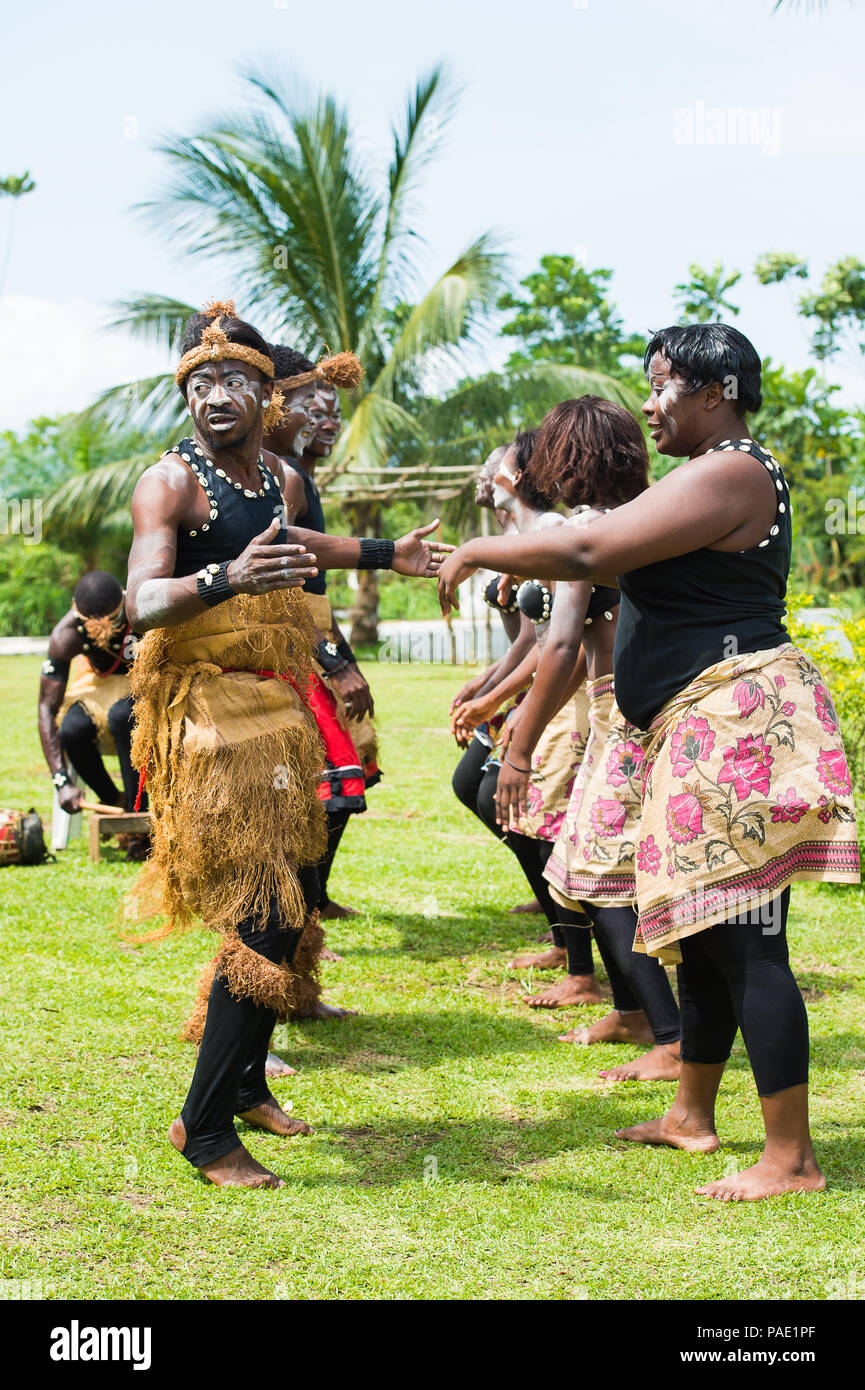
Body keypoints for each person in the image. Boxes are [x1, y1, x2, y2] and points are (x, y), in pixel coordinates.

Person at [438, 324, 859, 1200]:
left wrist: (478, 547)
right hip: (697, 725)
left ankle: (790, 1159)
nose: (650, 402)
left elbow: (591, 555)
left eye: (664, 382)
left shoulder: (734, 470)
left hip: (734, 721)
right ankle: (690, 1114)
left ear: (717, 391)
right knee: (705, 939)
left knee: (749, 944)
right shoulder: (697, 482)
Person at [126, 299, 449, 1189]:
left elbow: (299, 546)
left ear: (266, 393)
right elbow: (141, 601)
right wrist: (222, 577)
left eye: (232, 379)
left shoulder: (278, 478)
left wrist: (385, 554)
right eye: (198, 382)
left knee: (293, 901)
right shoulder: (170, 483)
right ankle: (203, 1129)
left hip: (276, 715)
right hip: (204, 717)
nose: (214, 394)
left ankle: (243, 1085)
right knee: (263, 916)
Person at [493, 399, 681, 1078]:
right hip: (661, 706)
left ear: (566, 458)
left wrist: (517, 749)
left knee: (599, 872)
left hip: (619, 715)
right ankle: (635, 1014)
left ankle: (669, 1036)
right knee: (599, 865)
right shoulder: (661, 507)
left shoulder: (591, 527)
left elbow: (564, 643)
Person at [450, 432, 601, 1009]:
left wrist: (497, 700)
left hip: (569, 695)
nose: (489, 473)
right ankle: (568, 940)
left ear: (515, 476)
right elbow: (532, 639)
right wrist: (489, 685)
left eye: (499, 465)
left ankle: (580, 961)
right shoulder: (527, 539)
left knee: (531, 816)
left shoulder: (559, 532)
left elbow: (561, 644)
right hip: (543, 691)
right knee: (503, 803)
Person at [266, 345, 380, 925]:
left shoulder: (296, 475)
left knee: (339, 778)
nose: (327, 422)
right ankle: (296, 916)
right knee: (320, 788)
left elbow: (315, 590)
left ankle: (311, 901)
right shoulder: (278, 479)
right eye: (314, 408)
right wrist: (336, 664)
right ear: (276, 405)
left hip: (310, 641)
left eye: (334, 411)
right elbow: (287, 590)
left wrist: (342, 656)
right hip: (287, 653)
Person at [38, 571, 148, 857]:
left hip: (144, 684)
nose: (102, 629)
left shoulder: (142, 609)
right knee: (72, 730)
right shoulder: (66, 635)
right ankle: (119, 804)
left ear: (122, 603)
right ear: (76, 608)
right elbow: (46, 709)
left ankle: (141, 814)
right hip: (95, 686)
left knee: (122, 717)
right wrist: (61, 781)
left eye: (111, 621)